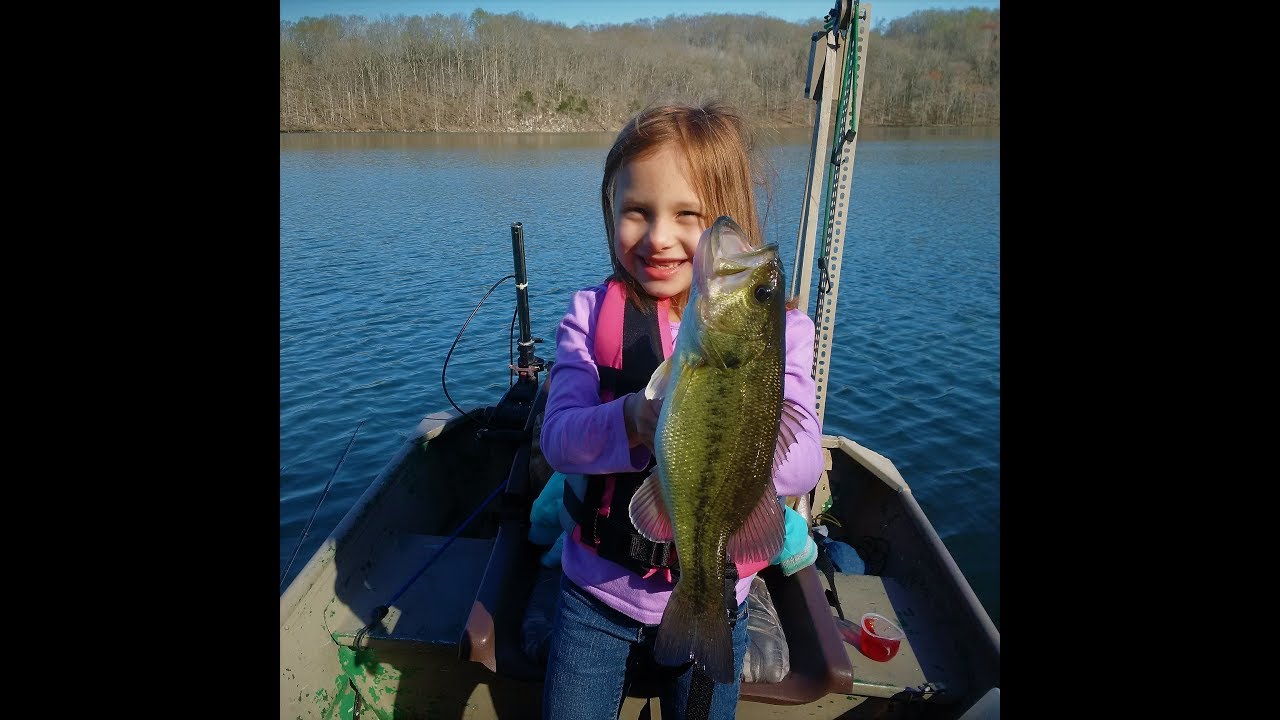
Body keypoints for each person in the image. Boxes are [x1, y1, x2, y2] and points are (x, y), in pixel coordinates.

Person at [538, 101, 825, 720]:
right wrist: (633, 423)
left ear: (730, 221)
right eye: (636, 211)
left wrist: (724, 437)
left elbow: (801, 465)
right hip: (594, 594)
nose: (660, 237)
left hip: (716, 589)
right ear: (610, 211)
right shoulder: (590, 316)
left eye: (687, 215)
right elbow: (558, 440)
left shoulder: (782, 331)